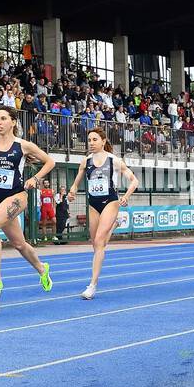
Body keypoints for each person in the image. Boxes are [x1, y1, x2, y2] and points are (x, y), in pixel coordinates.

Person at [0, 106, 55, 301]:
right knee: (19, 244)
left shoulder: (22, 145)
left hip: (17, 197)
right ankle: (42, 270)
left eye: (3, 118)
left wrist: (35, 179)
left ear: (13, 122)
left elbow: (50, 162)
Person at [66, 127, 138, 299]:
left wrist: (126, 197)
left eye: (95, 139)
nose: (91, 143)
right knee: (97, 245)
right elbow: (76, 183)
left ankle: (92, 285)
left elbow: (134, 180)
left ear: (103, 141)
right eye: (89, 140)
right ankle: (113, 225)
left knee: (99, 241)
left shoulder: (114, 161)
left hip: (110, 202)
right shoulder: (86, 161)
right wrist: (72, 192)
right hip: (93, 204)